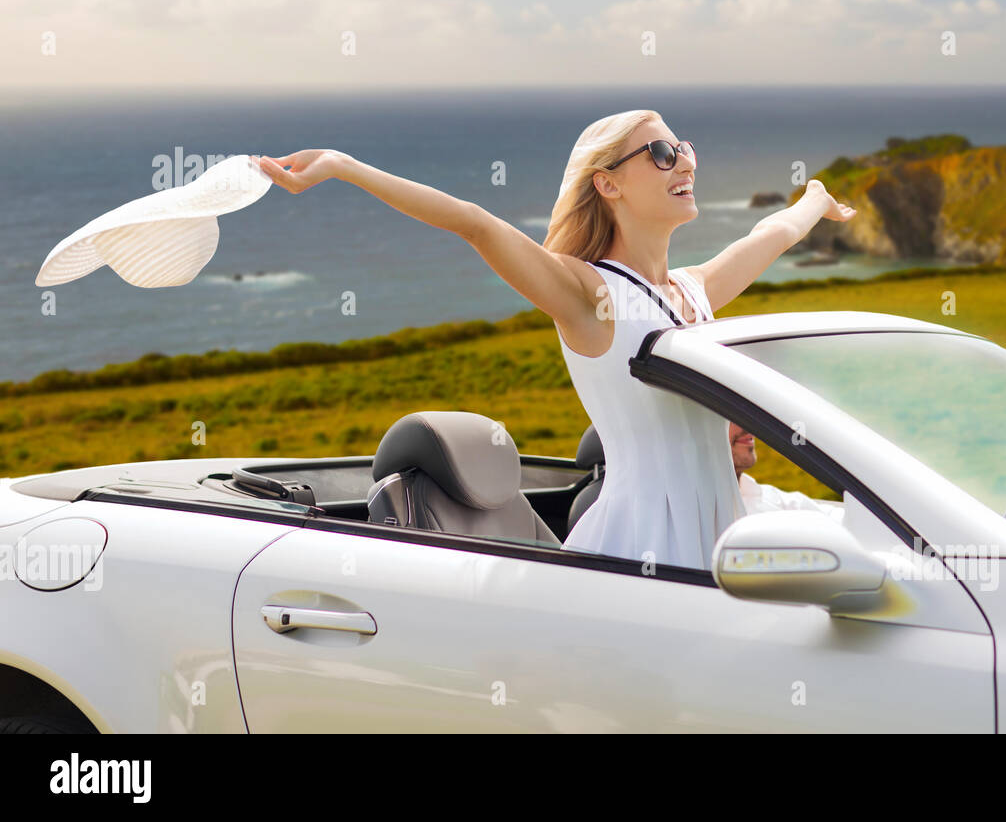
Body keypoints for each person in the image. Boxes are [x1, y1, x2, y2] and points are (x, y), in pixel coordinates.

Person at [254, 110, 855, 568]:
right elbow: (473, 221)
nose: (686, 163)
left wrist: (814, 203)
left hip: (721, 541)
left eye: (686, 148)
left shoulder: (694, 291)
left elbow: (772, 232)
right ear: (609, 185)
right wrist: (341, 165)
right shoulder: (587, 295)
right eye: (663, 153)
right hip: (637, 556)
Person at [729, 423, 843, 521]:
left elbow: (835, 518)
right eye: (728, 417)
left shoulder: (769, 499)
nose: (747, 424)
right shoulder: (715, 519)